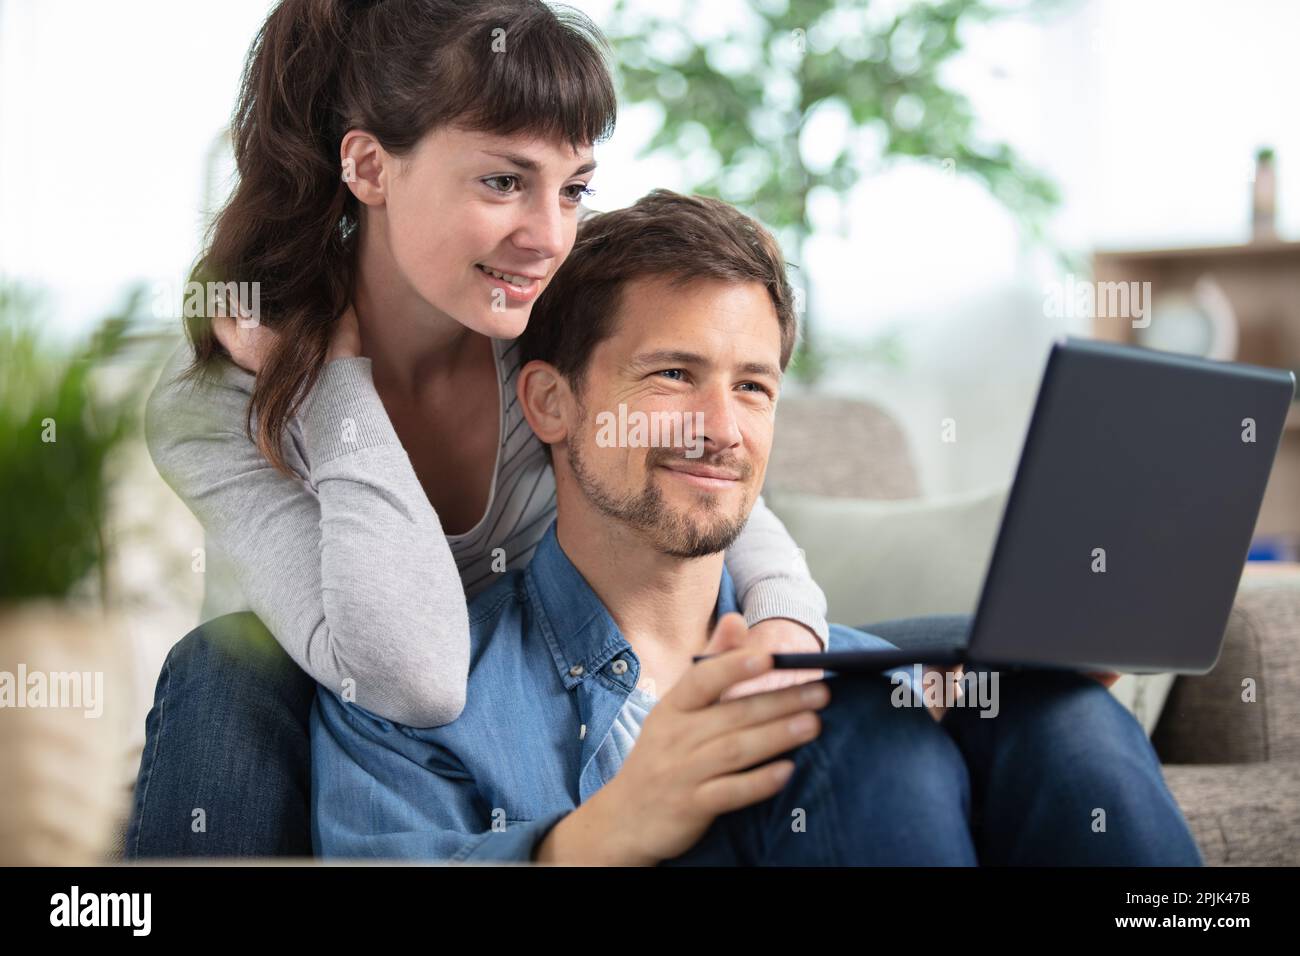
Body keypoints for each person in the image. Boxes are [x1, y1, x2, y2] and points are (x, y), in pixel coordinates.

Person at [310, 190, 1205, 866]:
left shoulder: (844, 667)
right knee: (861, 742)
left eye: (752, 386)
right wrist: (600, 834)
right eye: (670, 374)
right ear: (550, 401)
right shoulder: (420, 692)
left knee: (1060, 716)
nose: (722, 429)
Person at [127, 0, 828, 858]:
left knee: (945, 663)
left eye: (572, 190)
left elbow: (703, 471)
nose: (548, 238)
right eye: (503, 182)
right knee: (224, 665)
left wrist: (787, 640)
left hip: (517, 712)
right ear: (369, 167)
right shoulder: (219, 398)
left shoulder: (534, 323)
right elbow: (414, 682)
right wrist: (334, 386)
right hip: (313, 721)